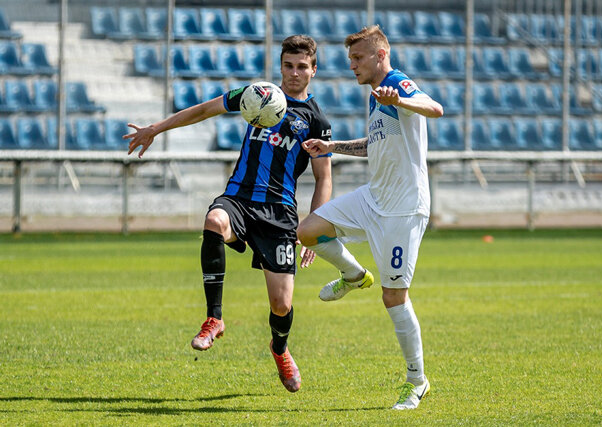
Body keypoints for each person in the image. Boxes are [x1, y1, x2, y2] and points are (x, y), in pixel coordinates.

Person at [124, 35, 332, 393]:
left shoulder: (315, 122)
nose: (294, 73)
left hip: (279, 212)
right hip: (238, 198)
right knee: (214, 221)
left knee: (282, 306)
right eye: (288, 65)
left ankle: (279, 349)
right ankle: (214, 319)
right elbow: (204, 110)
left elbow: (324, 178)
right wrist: (155, 128)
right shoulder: (257, 94)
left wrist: (315, 227)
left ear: (314, 70)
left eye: (302, 67)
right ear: (280, 65)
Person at [297, 25, 443, 409]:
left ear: (380, 56)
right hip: (372, 199)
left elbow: (436, 109)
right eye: (350, 60)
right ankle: (353, 274)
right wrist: (333, 146)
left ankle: (417, 381)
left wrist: (404, 99)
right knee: (309, 231)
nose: (352, 66)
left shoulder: (398, 84)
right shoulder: (376, 97)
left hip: (403, 209)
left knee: (394, 297)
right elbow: (374, 146)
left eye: (358, 58)